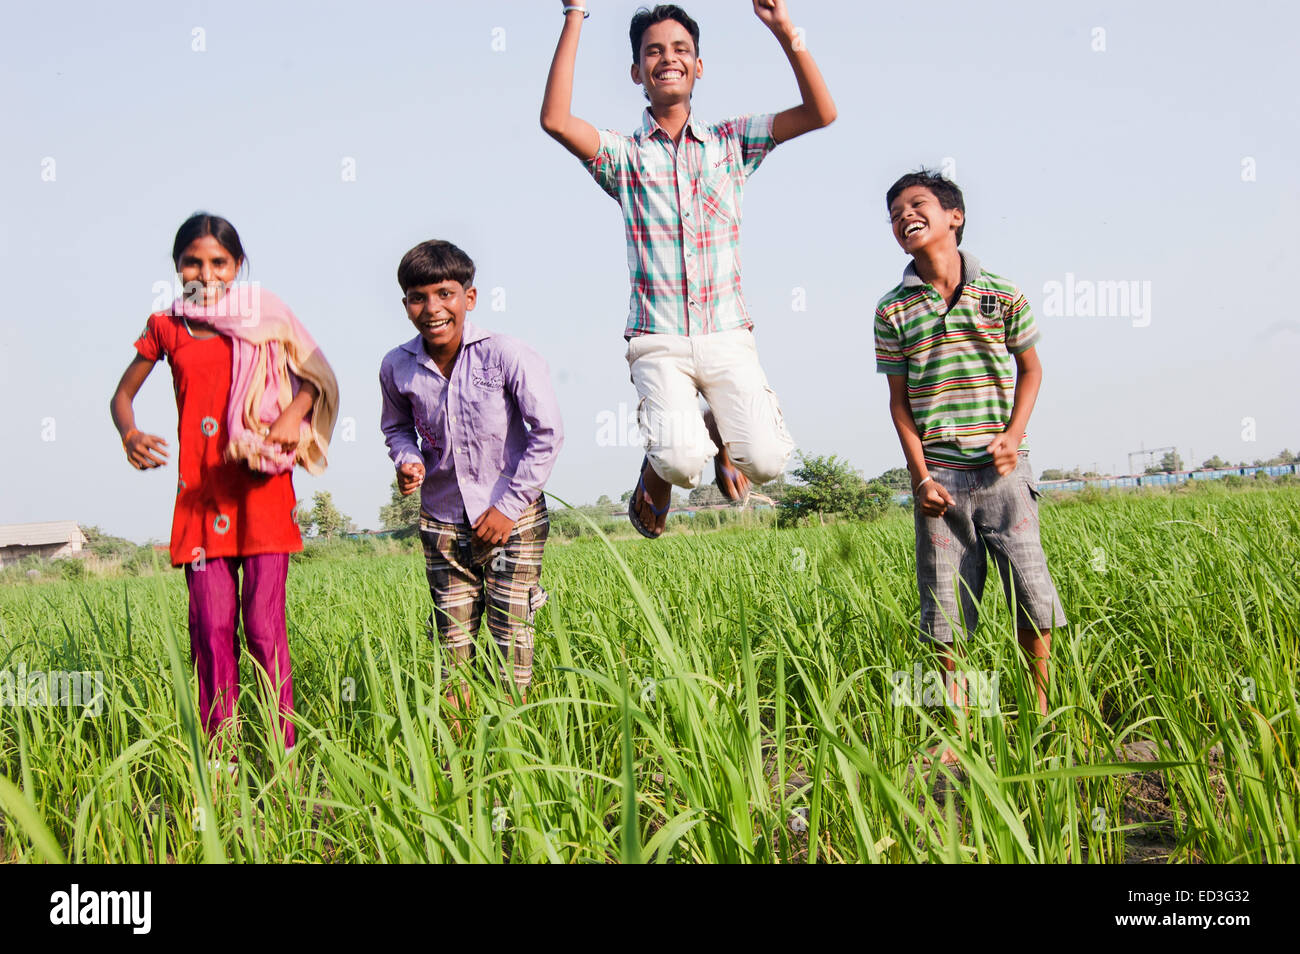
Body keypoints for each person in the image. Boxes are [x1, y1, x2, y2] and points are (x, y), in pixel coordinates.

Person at [540, 1, 835, 537]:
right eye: (653, 51)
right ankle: (657, 472)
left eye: (681, 50)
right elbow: (555, 120)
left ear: (700, 66)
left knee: (765, 462)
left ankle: (715, 427)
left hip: (727, 333)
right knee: (679, 462)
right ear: (636, 73)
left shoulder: (732, 142)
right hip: (659, 340)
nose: (668, 58)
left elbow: (821, 112)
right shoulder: (624, 156)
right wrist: (575, 13)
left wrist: (785, 30)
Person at [110, 212, 339, 773]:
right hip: (201, 496)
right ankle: (221, 760)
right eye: (193, 261)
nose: (205, 273)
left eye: (218, 262)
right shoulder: (166, 325)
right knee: (210, 629)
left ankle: (283, 751)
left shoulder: (267, 316)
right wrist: (129, 432)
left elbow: (314, 374)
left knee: (264, 627)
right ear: (177, 265)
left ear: (237, 266)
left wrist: (293, 414)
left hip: (261, 486)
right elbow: (121, 395)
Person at [874, 170, 1066, 749]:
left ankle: (1041, 713)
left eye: (917, 204)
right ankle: (957, 731)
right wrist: (921, 476)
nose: (904, 216)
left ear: (954, 216)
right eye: (894, 213)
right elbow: (899, 405)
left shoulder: (1002, 294)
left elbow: (1031, 369)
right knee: (943, 610)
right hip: (941, 482)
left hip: (1006, 472)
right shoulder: (892, 311)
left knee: (1031, 593)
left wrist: (1013, 434)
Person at [379, 241, 563, 714]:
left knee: (510, 642)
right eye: (418, 298)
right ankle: (460, 764)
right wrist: (405, 459)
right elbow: (396, 427)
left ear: (470, 298)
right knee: (452, 651)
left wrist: (508, 506)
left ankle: (513, 746)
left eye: (445, 294)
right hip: (441, 524)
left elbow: (548, 432)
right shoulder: (396, 366)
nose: (433, 308)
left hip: (512, 521)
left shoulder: (505, 355)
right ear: (405, 306)